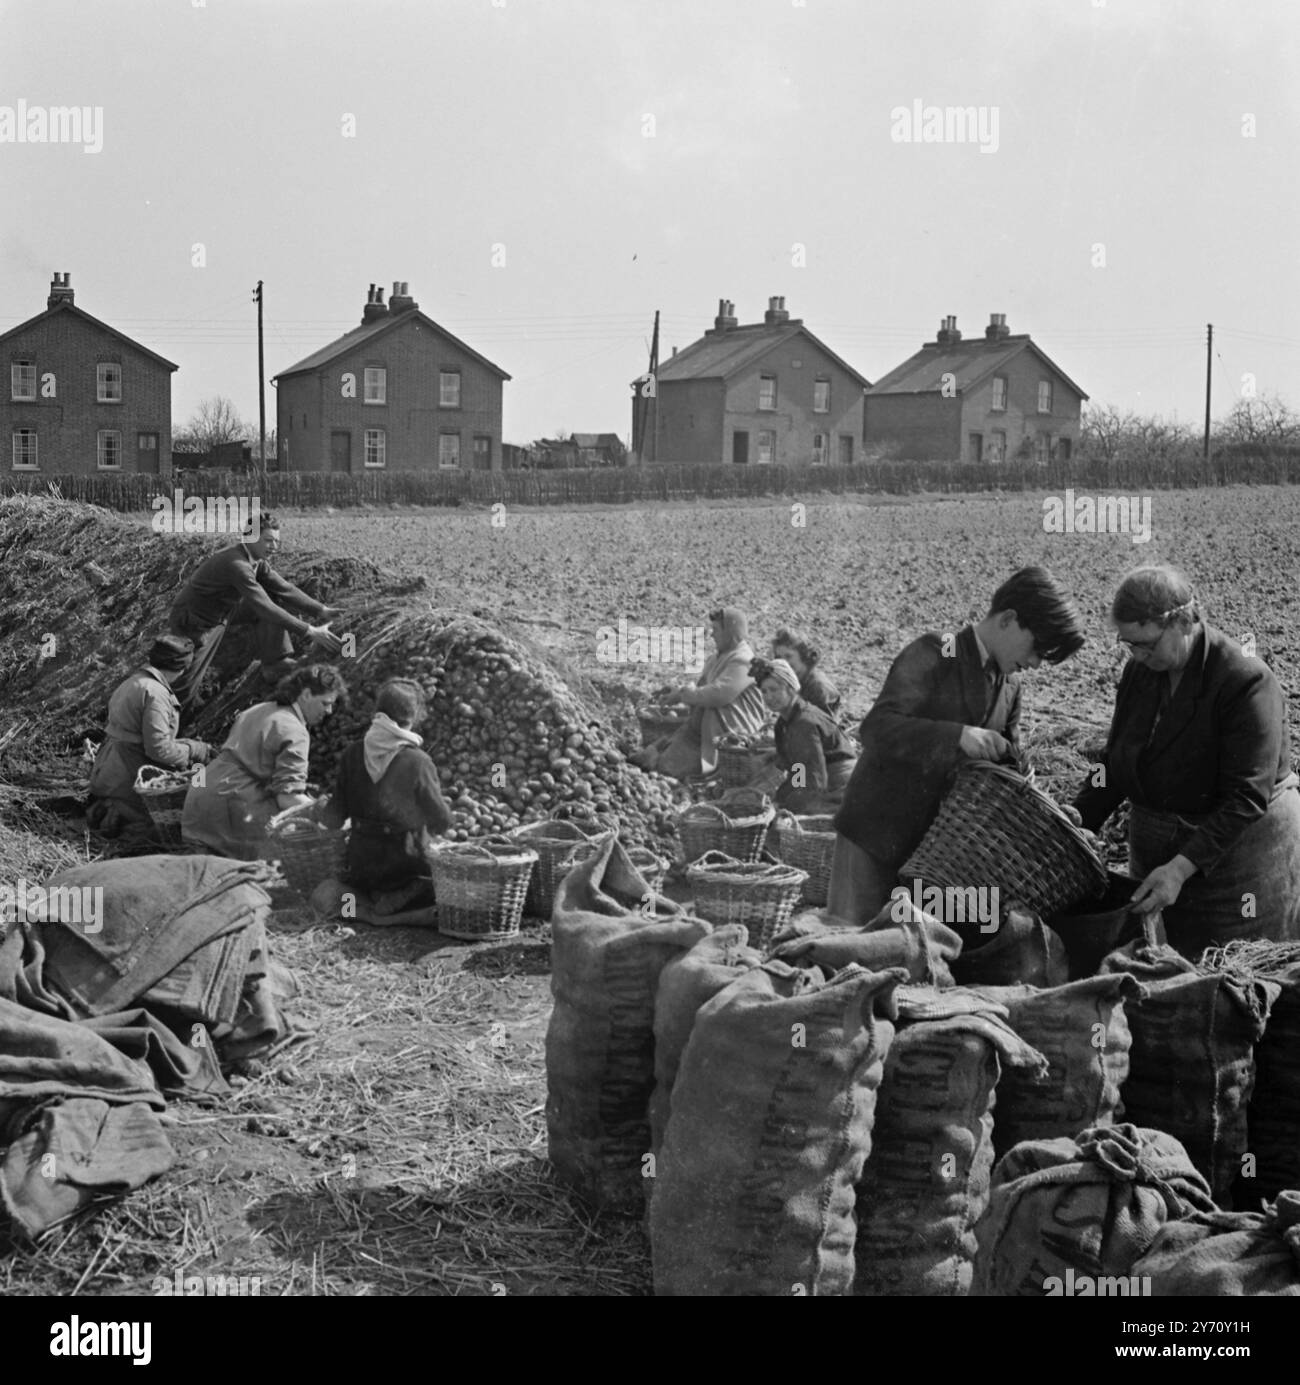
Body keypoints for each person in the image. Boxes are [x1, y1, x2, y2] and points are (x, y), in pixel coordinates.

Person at [829, 566, 1086, 924]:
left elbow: (1005, 765)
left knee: (909, 951)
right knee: (850, 941)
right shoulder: (937, 650)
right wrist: (958, 736)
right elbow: (876, 728)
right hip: (876, 832)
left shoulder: (1010, 687)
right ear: (1009, 620)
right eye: (1037, 649)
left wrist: (1039, 796)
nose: (1035, 663)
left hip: (936, 854)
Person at [1072, 565, 1300, 958]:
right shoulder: (1141, 672)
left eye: (1146, 643)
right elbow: (1114, 761)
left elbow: (1246, 795)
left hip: (1235, 858)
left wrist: (1179, 870)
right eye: (1129, 645)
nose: (1138, 655)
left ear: (1182, 621)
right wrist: (1076, 818)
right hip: (1158, 850)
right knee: (1161, 962)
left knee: (1234, 967)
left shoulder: (1244, 680)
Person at [169, 510, 345, 710]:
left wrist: (322, 610)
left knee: (271, 597)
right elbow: (263, 606)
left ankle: (275, 662)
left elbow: (284, 588)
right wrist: (310, 631)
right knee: (185, 683)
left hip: (223, 612)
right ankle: (172, 720)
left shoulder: (256, 561)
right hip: (195, 620)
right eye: (269, 540)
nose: (274, 547)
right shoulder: (236, 564)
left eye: (277, 541)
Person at [181, 663, 347, 860]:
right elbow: (287, 798)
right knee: (285, 855)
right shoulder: (295, 731)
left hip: (200, 798)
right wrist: (328, 814)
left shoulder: (260, 709)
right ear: (307, 694)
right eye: (325, 703)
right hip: (230, 807)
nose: (328, 711)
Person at [320, 678, 453, 905]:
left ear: (379, 713)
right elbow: (442, 820)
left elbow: (333, 818)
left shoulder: (352, 754)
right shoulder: (418, 761)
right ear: (414, 717)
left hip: (362, 870)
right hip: (407, 870)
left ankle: (372, 900)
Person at [86, 634, 213, 842]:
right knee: (172, 825)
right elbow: (158, 749)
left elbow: (142, 738)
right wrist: (195, 750)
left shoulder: (136, 681)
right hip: (127, 773)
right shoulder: (156, 694)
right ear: (182, 667)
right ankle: (114, 815)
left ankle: (109, 809)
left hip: (110, 767)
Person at [635, 606, 767, 779]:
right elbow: (701, 687)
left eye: (717, 630)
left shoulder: (743, 661)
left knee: (670, 770)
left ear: (731, 633)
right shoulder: (717, 658)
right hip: (701, 732)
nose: (712, 635)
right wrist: (678, 693)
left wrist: (684, 695)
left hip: (728, 737)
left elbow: (719, 694)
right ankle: (655, 756)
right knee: (663, 760)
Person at [750, 658, 857, 811]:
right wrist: (782, 797)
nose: (768, 697)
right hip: (822, 781)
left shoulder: (804, 724)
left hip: (840, 788)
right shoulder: (784, 723)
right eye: (764, 691)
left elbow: (814, 779)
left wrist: (787, 805)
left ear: (790, 689)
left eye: (774, 689)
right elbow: (798, 771)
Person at [772, 627, 842, 717]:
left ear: (803, 655)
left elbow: (823, 726)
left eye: (788, 656)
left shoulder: (819, 687)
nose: (783, 662)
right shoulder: (793, 681)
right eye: (779, 657)